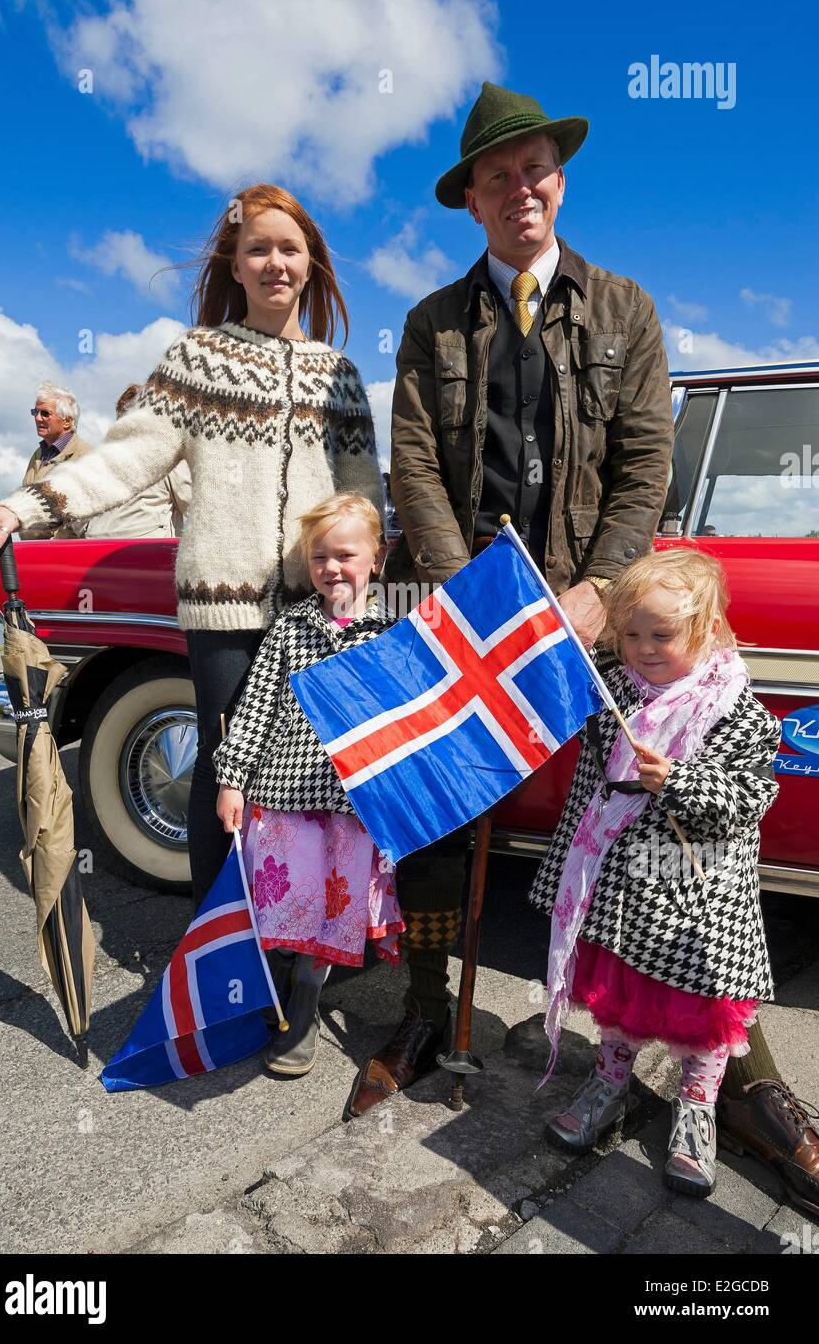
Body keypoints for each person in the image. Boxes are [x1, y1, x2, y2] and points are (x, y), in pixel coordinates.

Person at [345, 80, 675, 1119]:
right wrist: (471, 595)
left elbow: (645, 469)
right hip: (473, 616)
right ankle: (428, 1006)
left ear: (560, 184)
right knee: (436, 819)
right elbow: (413, 469)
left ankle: (698, 1056)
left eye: (534, 168)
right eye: (498, 175)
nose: (519, 187)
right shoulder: (430, 324)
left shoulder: (626, 308)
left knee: (643, 812)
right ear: (473, 201)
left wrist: (593, 591)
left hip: (595, 614)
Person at [0, 184, 385, 912]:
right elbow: (125, 458)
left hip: (320, 614)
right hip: (224, 614)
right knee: (225, 770)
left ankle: (299, 936)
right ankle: (220, 942)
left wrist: (361, 584)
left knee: (311, 771)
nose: (275, 263)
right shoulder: (196, 360)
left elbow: (362, 500)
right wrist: (26, 504)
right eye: (258, 249)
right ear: (234, 264)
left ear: (312, 264)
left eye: (291, 249)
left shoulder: (341, 379)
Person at [529, 549, 779, 1197]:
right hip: (619, 885)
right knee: (620, 997)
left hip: (695, 900)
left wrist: (681, 782)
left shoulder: (736, 710)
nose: (642, 648)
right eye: (631, 634)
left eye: (661, 635)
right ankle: (610, 1081)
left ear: (708, 629)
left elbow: (751, 799)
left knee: (700, 1016)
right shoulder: (614, 692)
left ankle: (696, 1109)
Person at [214, 494, 402, 1077]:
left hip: (350, 805)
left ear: (377, 556)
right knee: (279, 903)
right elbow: (255, 706)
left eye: (345, 554)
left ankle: (305, 1004)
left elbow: (407, 718)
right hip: (283, 796)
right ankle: (261, 999)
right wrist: (232, 779)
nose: (331, 567)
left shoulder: (394, 629)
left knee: (328, 912)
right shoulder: (291, 627)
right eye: (318, 556)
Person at [85, 384, 192, 538]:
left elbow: (77, 522)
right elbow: (196, 507)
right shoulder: (166, 456)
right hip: (145, 555)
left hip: (94, 552)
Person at [20, 383, 92, 539]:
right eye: (35, 412)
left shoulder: (86, 456)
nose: (37, 418)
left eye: (45, 413)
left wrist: (55, 544)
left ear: (67, 421)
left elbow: (84, 514)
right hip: (33, 552)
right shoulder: (39, 454)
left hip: (62, 554)